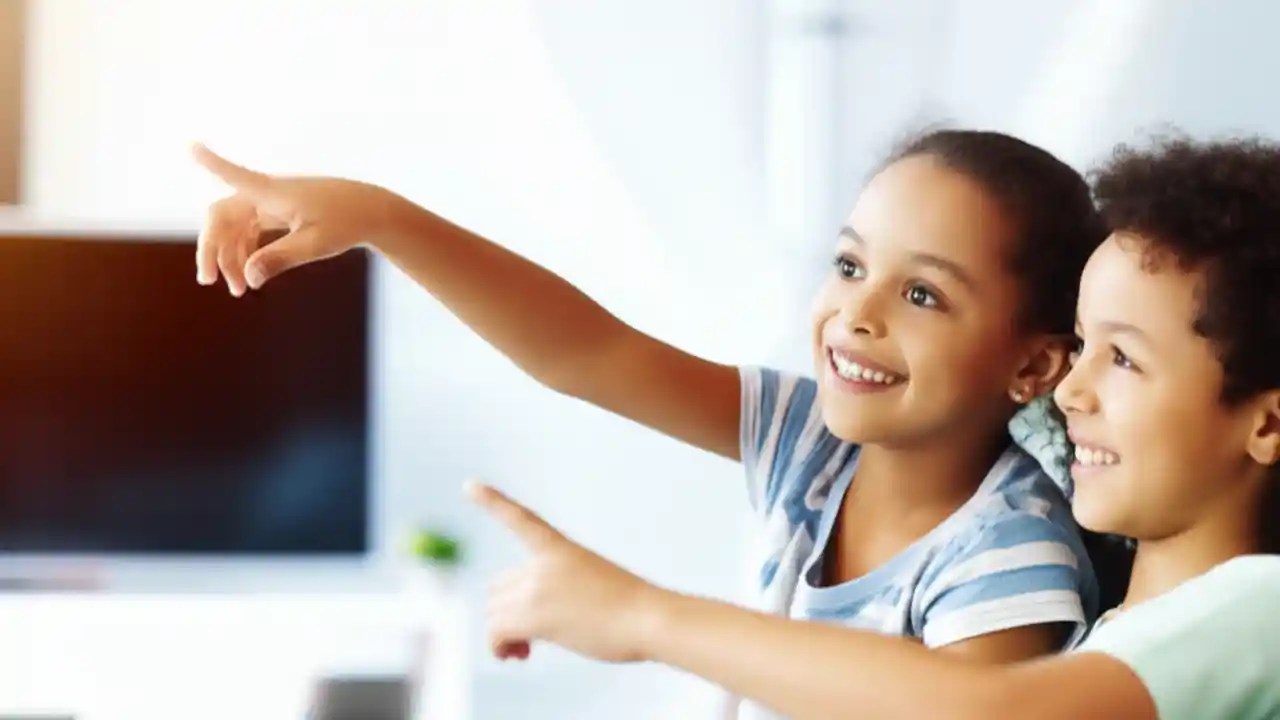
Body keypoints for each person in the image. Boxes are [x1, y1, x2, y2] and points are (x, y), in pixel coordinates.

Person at [191, 130, 1106, 711]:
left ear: (1032, 366)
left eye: (921, 293)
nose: (857, 314)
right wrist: (380, 219)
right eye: (850, 264)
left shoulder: (1009, 553)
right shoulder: (811, 443)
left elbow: (969, 709)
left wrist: (638, 615)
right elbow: (586, 354)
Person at [466, 135, 1280, 719]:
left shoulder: (1259, 606)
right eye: (1084, 350)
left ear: (1268, 421)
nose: (1071, 393)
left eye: (1125, 361)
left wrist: (640, 616)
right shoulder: (1121, 630)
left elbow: (989, 711)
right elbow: (589, 355)